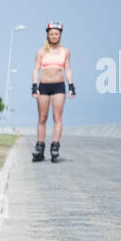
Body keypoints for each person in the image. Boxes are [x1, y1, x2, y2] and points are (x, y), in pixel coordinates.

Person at [30, 21, 74, 162]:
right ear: (48, 35)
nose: (54, 36)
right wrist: (34, 86)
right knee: (42, 118)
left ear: (60, 35)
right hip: (43, 86)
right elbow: (36, 69)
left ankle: (55, 148)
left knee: (57, 117)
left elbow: (67, 69)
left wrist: (71, 86)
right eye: (51, 34)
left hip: (59, 86)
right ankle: (40, 149)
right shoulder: (41, 52)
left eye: (56, 34)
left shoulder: (65, 51)